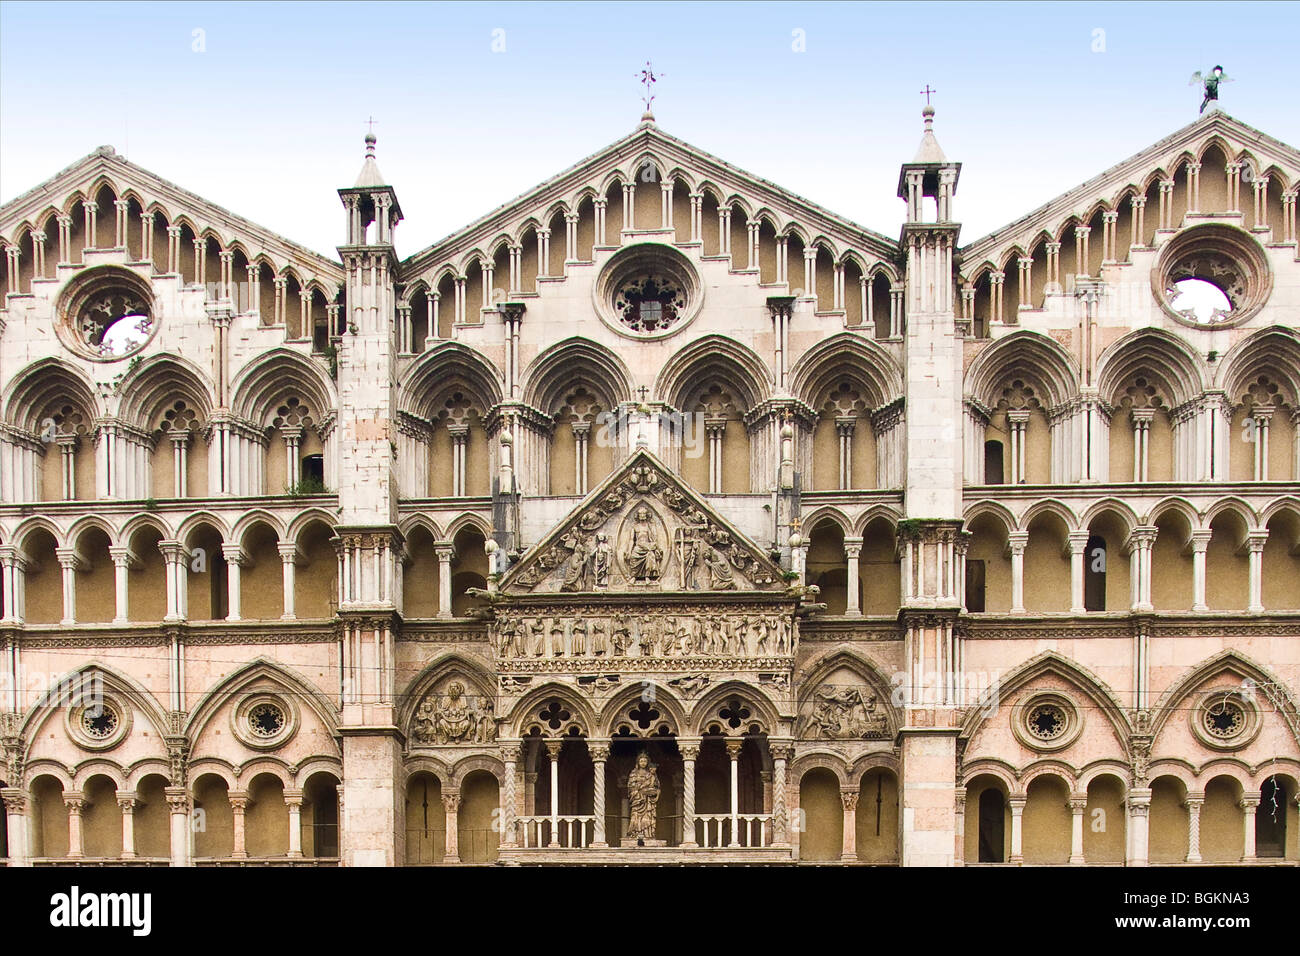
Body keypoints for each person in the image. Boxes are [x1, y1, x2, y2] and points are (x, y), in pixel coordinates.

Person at [625, 750, 660, 841]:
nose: (643, 763)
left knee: (647, 818)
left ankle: (648, 834)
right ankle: (635, 833)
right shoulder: (634, 773)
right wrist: (637, 791)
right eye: (641, 761)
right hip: (637, 799)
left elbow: (656, 786)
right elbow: (631, 786)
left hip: (648, 800)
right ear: (638, 762)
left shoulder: (651, 774)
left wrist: (652, 790)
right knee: (635, 816)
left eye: (645, 761)